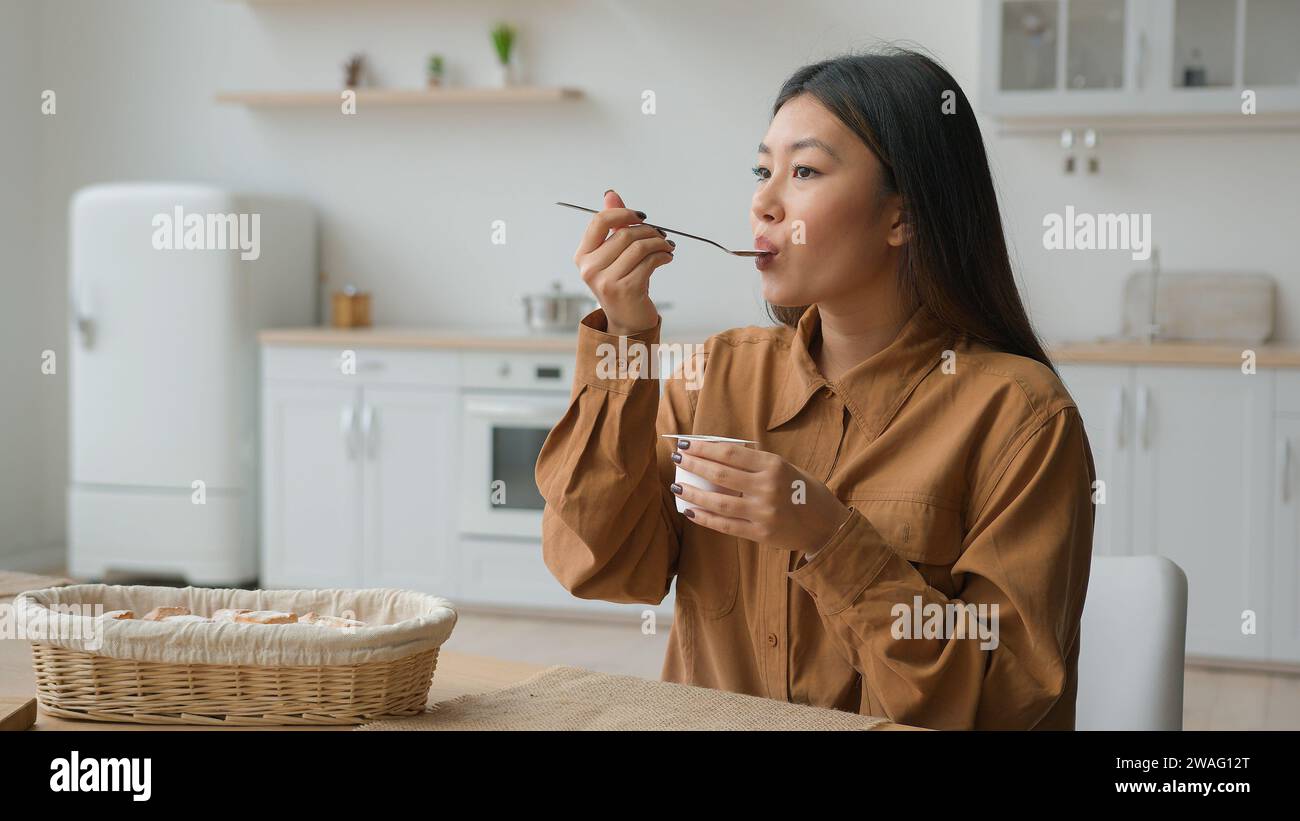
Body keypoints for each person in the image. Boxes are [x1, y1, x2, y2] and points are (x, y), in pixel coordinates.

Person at [535, 47, 1096, 730]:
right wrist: (624, 336)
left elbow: (1003, 698)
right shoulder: (716, 376)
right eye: (762, 170)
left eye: (803, 171)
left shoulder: (1022, 418)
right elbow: (601, 564)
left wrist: (829, 538)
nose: (763, 202)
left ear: (903, 217)